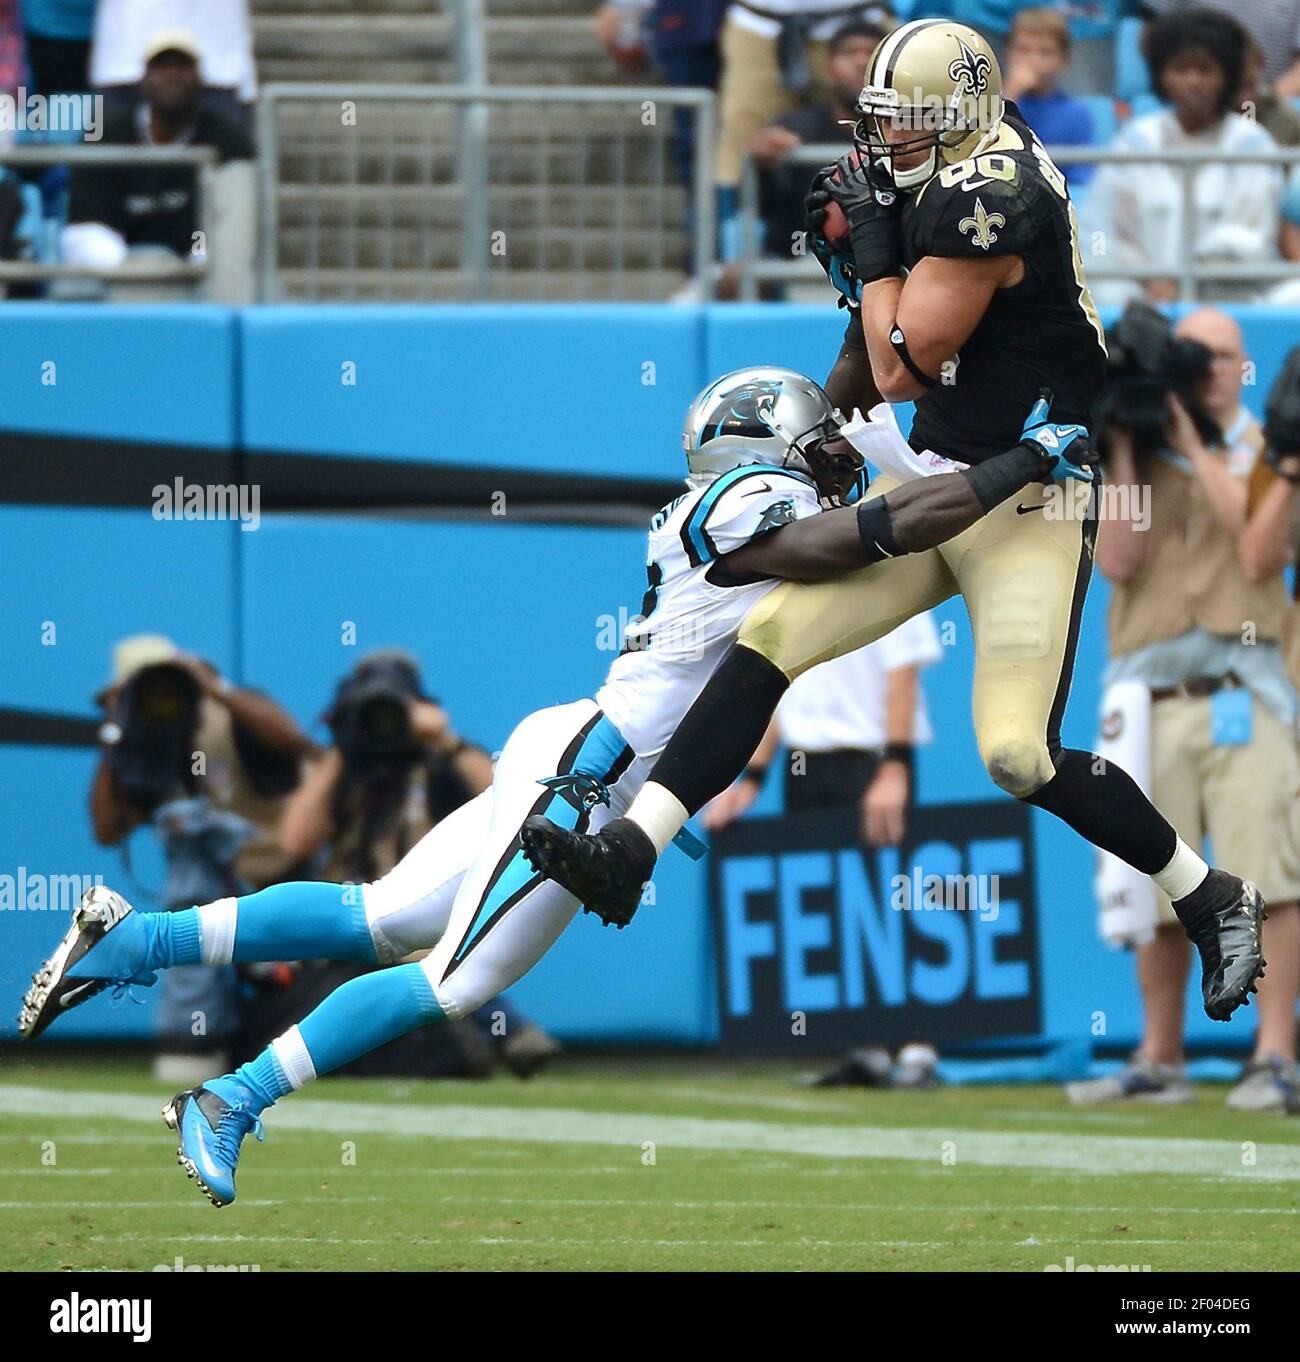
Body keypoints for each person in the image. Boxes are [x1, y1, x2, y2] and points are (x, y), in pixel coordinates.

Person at [17, 367, 1091, 1206]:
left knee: (379, 915)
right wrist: (1020, 464)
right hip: (589, 776)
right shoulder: (748, 499)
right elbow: (872, 530)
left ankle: (131, 942)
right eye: (811, 436)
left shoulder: (719, 504)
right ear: (758, 446)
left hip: (588, 751)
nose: (826, 453)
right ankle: (230, 1097)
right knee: (454, 984)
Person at [521, 20, 1268, 1035]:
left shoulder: (993, 196)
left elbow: (905, 359)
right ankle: (631, 851)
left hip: (1030, 491)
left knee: (1014, 756)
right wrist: (825, 423)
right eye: (882, 122)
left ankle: (1208, 891)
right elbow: (865, 345)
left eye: (907, 123)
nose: (887, 143)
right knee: (769, 636)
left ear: (957, 119)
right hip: (940, 469)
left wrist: (873, 255)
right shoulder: (944, 162)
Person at [1070, 309, 1300, 1112]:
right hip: (1153, 697)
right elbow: (1121, 559)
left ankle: (1273, 1057)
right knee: (1162, 877)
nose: (1202, 368)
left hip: (1249, 691)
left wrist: (1193, 437)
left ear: (1241, 363)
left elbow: (1254, 547)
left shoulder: (1273, 448)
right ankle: (1160, 1056)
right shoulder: (1135, 451)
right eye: (1188, 354)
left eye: (1216, 355)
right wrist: (1127, 433)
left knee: (1268, 875)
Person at [86, 633, 310, 1082]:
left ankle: (213, 1054)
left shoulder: (230, 717)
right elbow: (108, 829)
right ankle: (193, 1052)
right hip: (203, 903)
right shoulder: (139, 744)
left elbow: (292, 742)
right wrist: (118, 731)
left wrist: (216, 688)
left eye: (167, 687)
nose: (159, 702)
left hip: (273, 887)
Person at [1078, 9, 1287, 306]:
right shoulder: (1135, 142)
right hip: (1141, 297)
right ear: (1161, 75)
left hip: (1228, 296)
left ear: (1227, 77)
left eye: (1205, 70)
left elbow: (1252, 239)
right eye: (1179, 69)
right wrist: (1150, 279)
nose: (1192, 82)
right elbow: (1101, 232)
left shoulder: (1252, 145)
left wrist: (1190, 278)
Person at [702, 613, 941, 844]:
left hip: (871, 767)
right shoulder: (784, 588)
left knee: (877, 879)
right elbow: (779, 687)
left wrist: (894, 770)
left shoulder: (896, 580)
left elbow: (903, 679)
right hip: (802, 770)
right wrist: (752, 778)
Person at [62, 30, 257, 302]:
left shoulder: (228, 141)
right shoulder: (105, 134)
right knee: (70, 287)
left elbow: (227, 232)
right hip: (115, 275)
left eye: (183, 66)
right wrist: (134, 270)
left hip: (198, 275)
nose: (172, 75)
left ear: (200, 79)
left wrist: (186, 268)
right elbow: (87, 228)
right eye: (162, 66)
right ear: (143, 80)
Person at [752, 19, 887, 260]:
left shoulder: (911, 132)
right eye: (850, 53)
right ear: (828, 68)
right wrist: (759, 165)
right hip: (802, 256)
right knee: (734, 278)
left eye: (872, 54)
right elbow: (765, 209)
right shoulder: (794, 129)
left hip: (888, 262)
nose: (861, 62)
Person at [1001, 7, 1095, 187]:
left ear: (1064, 59)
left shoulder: (1077, 114)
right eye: (1023, 50)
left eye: (1045, 52)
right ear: (1008, 53)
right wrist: (1010, 94)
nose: (1033, 59)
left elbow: (1081, 180)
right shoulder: (989, 105)